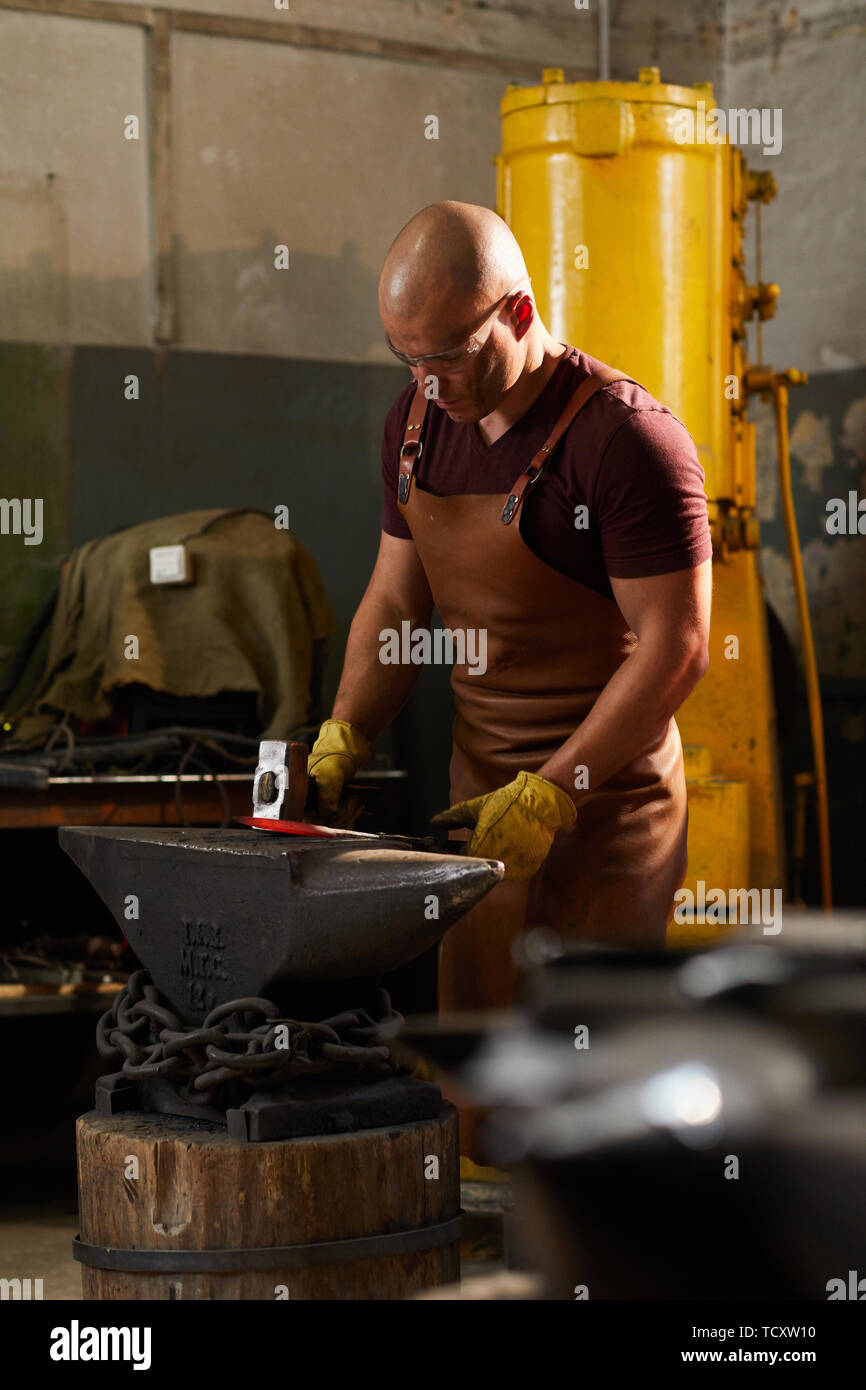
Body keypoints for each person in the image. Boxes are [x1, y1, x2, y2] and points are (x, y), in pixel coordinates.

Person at [308, 199, 712, 1017]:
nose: (427, 382)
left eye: (450, 357)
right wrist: (346, 731)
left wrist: (553, 793)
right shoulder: (415, 423)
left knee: (583, 1088)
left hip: (606, 812)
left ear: (519, 311)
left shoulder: (629, 441)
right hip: (478, 807)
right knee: (480, 1072)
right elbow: (394, 599)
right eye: (405, 357)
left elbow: (678, 646)